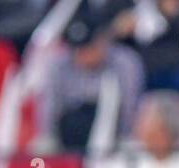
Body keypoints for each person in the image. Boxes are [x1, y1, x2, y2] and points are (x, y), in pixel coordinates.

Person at [32, 6, 145, 154]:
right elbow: (50, 109)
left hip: (115, 139)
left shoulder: (126, 63)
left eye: (88, 47)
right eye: (78, 49)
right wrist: (48, 139)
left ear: (103, 40)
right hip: (68, 140)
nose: (83, 55)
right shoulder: (58, 65)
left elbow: (130, 110)